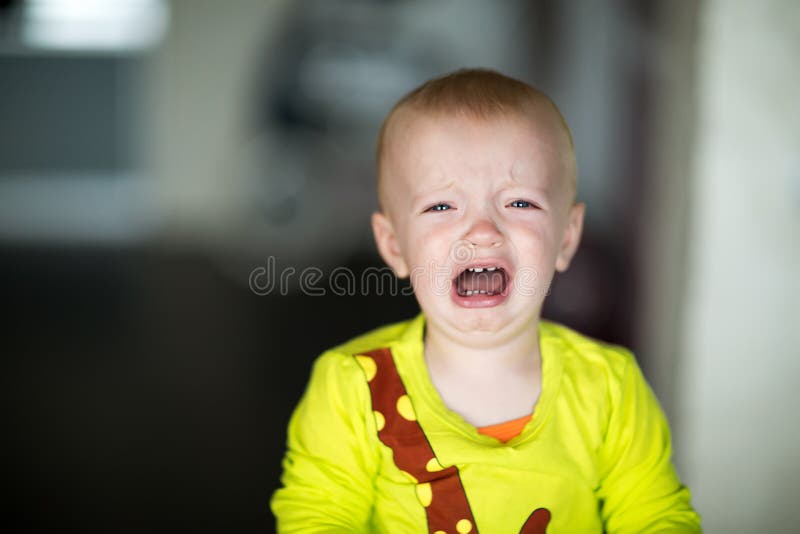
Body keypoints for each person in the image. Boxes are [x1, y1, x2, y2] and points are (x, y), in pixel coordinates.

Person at [271, 68, 701, 533]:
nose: (481, 230)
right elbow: (316, 518)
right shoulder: (352, 387)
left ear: (567, 238)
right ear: (394, 245)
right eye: (441, 206)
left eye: (520, 203)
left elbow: (656, 517)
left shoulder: (611, 389)